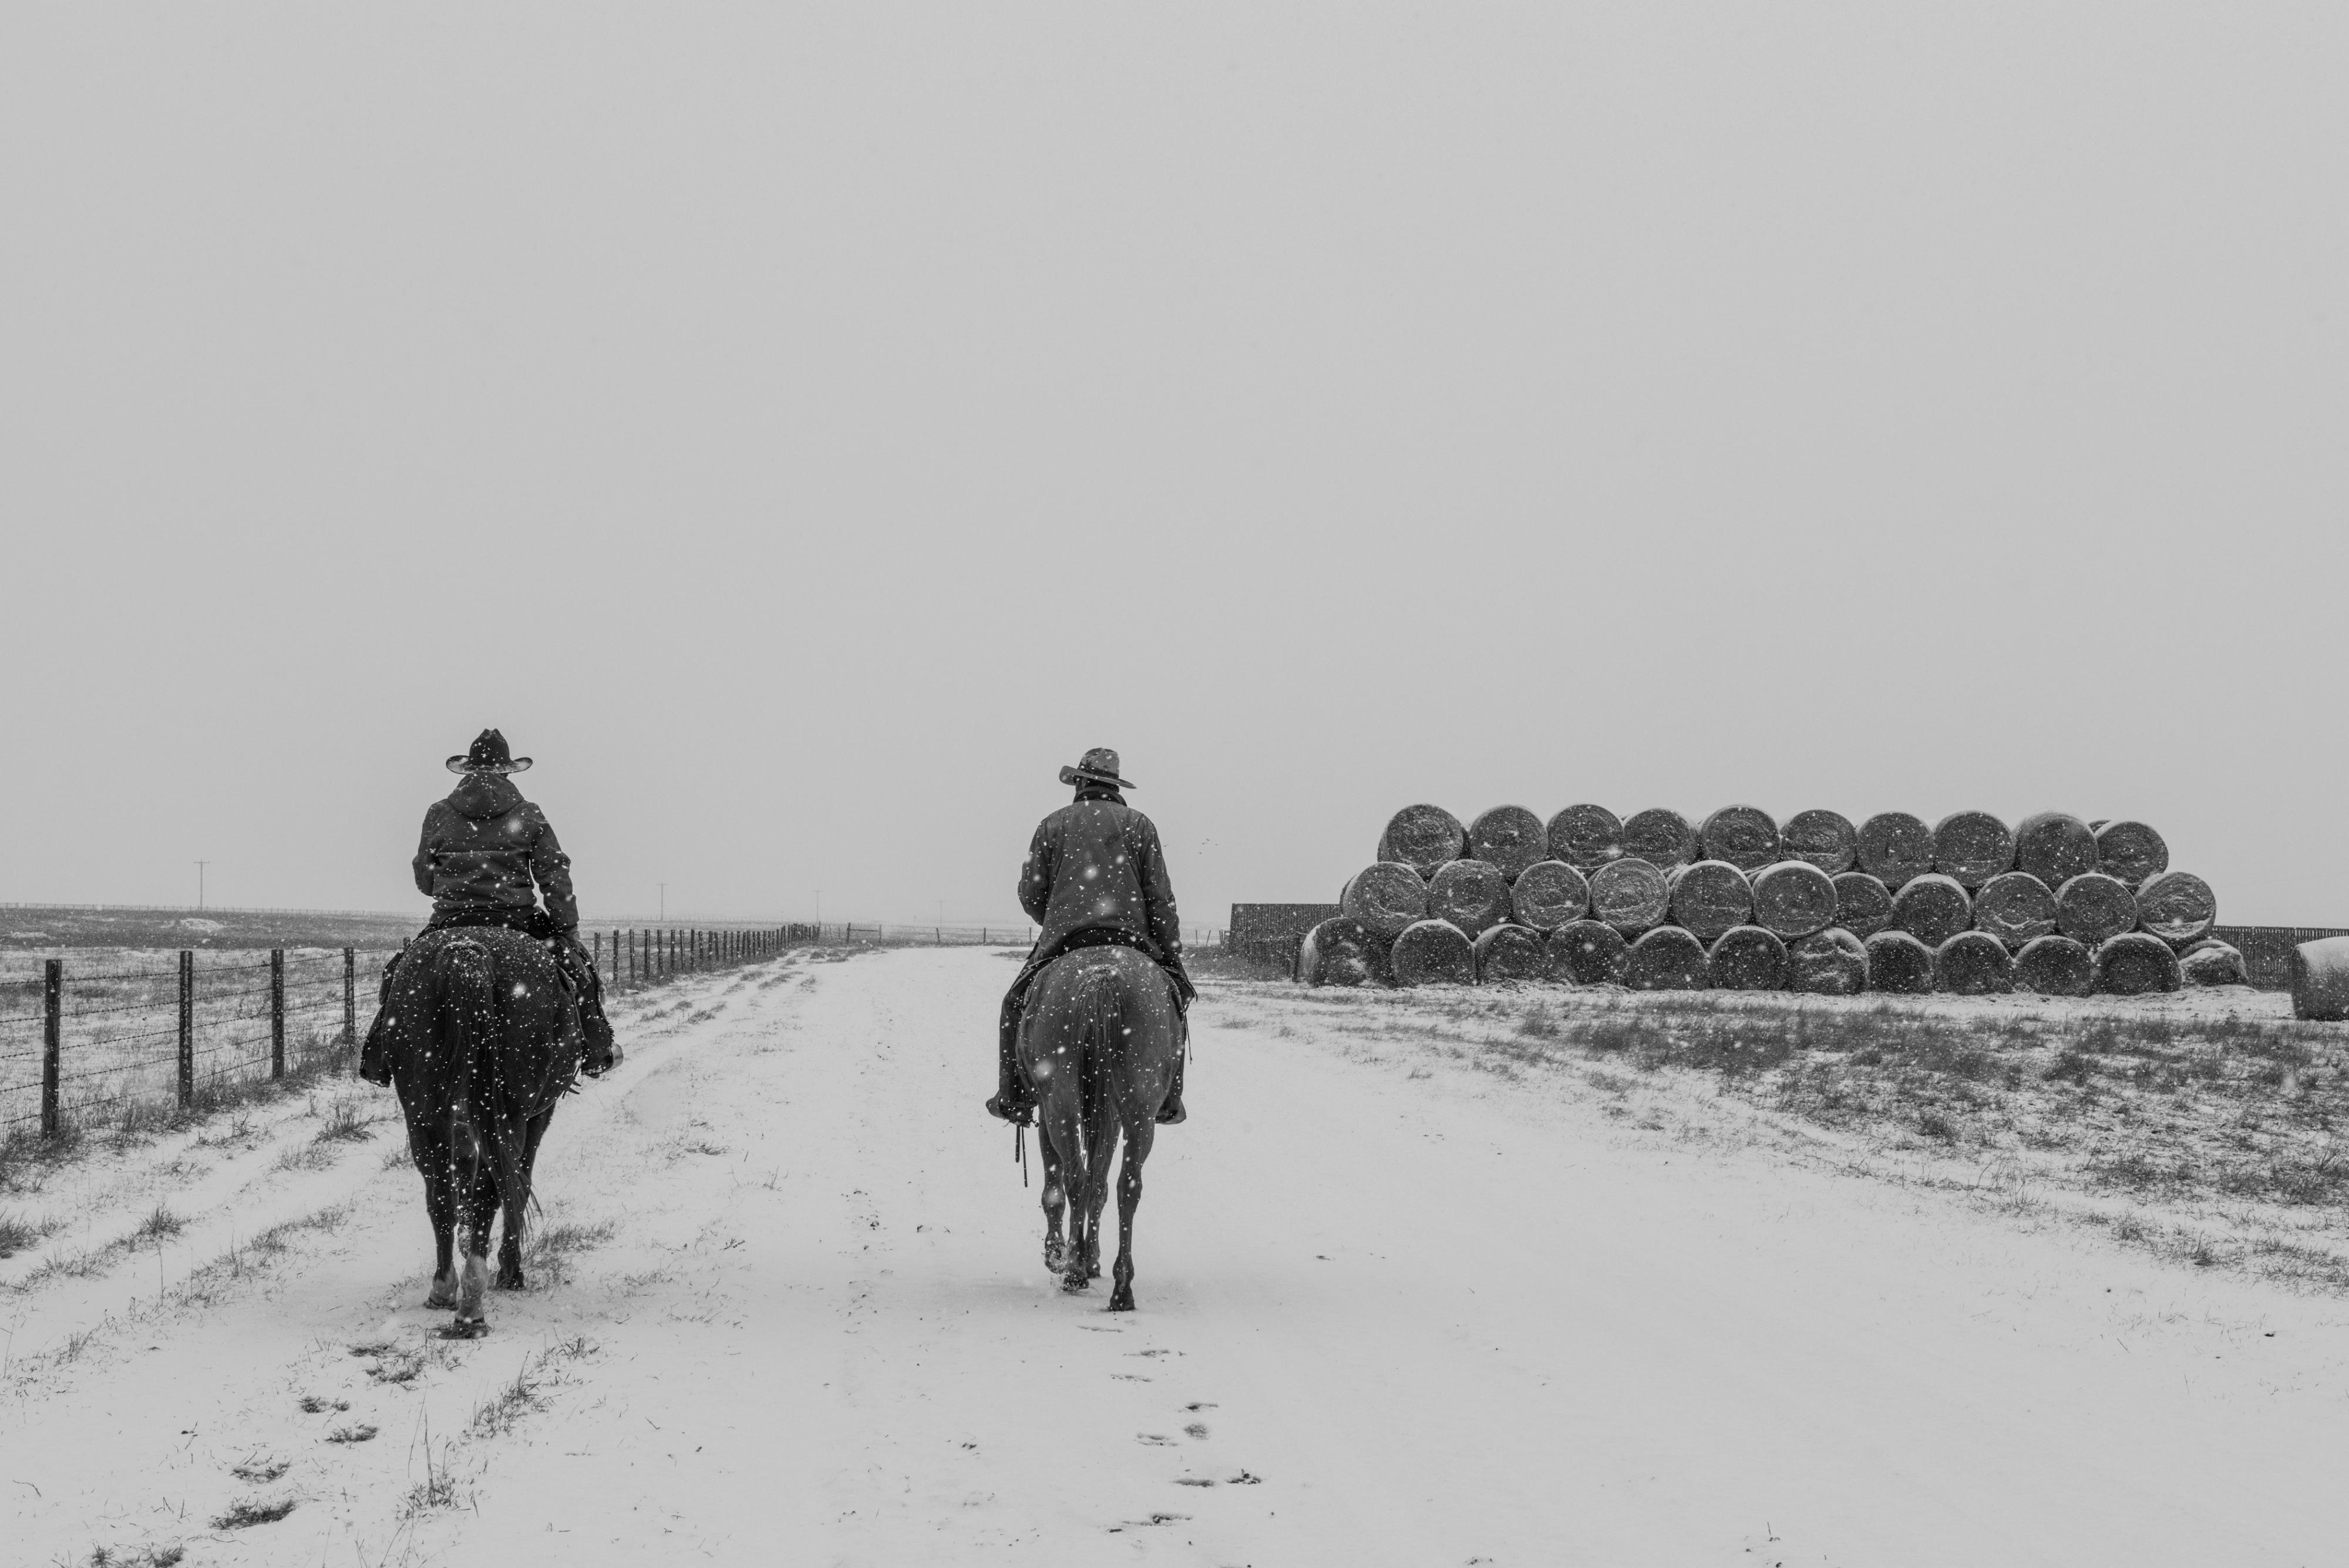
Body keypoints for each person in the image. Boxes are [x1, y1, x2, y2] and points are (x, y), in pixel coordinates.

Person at [358, 729, 618, 1086]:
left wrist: (454, 879)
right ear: (508, 772)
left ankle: (380, 1060)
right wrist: (567, 929)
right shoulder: (528, 813)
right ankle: (595, 1053)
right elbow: (554, 875)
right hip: (517, 920)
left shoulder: (438, 813)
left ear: (468, 771)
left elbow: (425, 881)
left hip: (452, 920)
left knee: (398, 976)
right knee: (578, 974)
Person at [987, 748, 1194, 1126]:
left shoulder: (1052, 825)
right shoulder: (1140, 825)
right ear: (1114, 785)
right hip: (1133, 944)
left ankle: (1014, 1096)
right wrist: (1170, 954)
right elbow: (1160, 899)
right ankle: (1168, 1098)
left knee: (1014, 1005)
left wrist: (1055, 916)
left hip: (1066, 942)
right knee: (1175, 1002)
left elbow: (1032, 896)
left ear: (1081, 782)